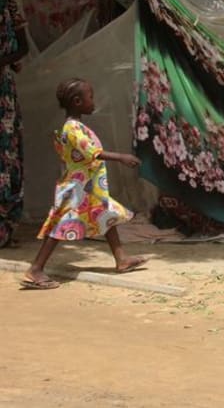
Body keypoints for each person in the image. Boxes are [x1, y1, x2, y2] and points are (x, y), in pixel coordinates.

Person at [21, 78, 146, 289]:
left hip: (88, 187)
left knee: (105, 214)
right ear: (78, 101)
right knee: (60, 225)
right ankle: (35, 269)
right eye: (91, 97)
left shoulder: (76, 126)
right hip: (77, 188)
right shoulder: (72, 128)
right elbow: (92, 152)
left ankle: (121, 259)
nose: (93, 101)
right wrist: (121, 157)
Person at [0, 0, 28, 248]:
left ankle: (5, 227)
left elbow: (23, 48)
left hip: (4, 92)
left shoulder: (9, 5)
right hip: (5, 88)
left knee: (7, 156)